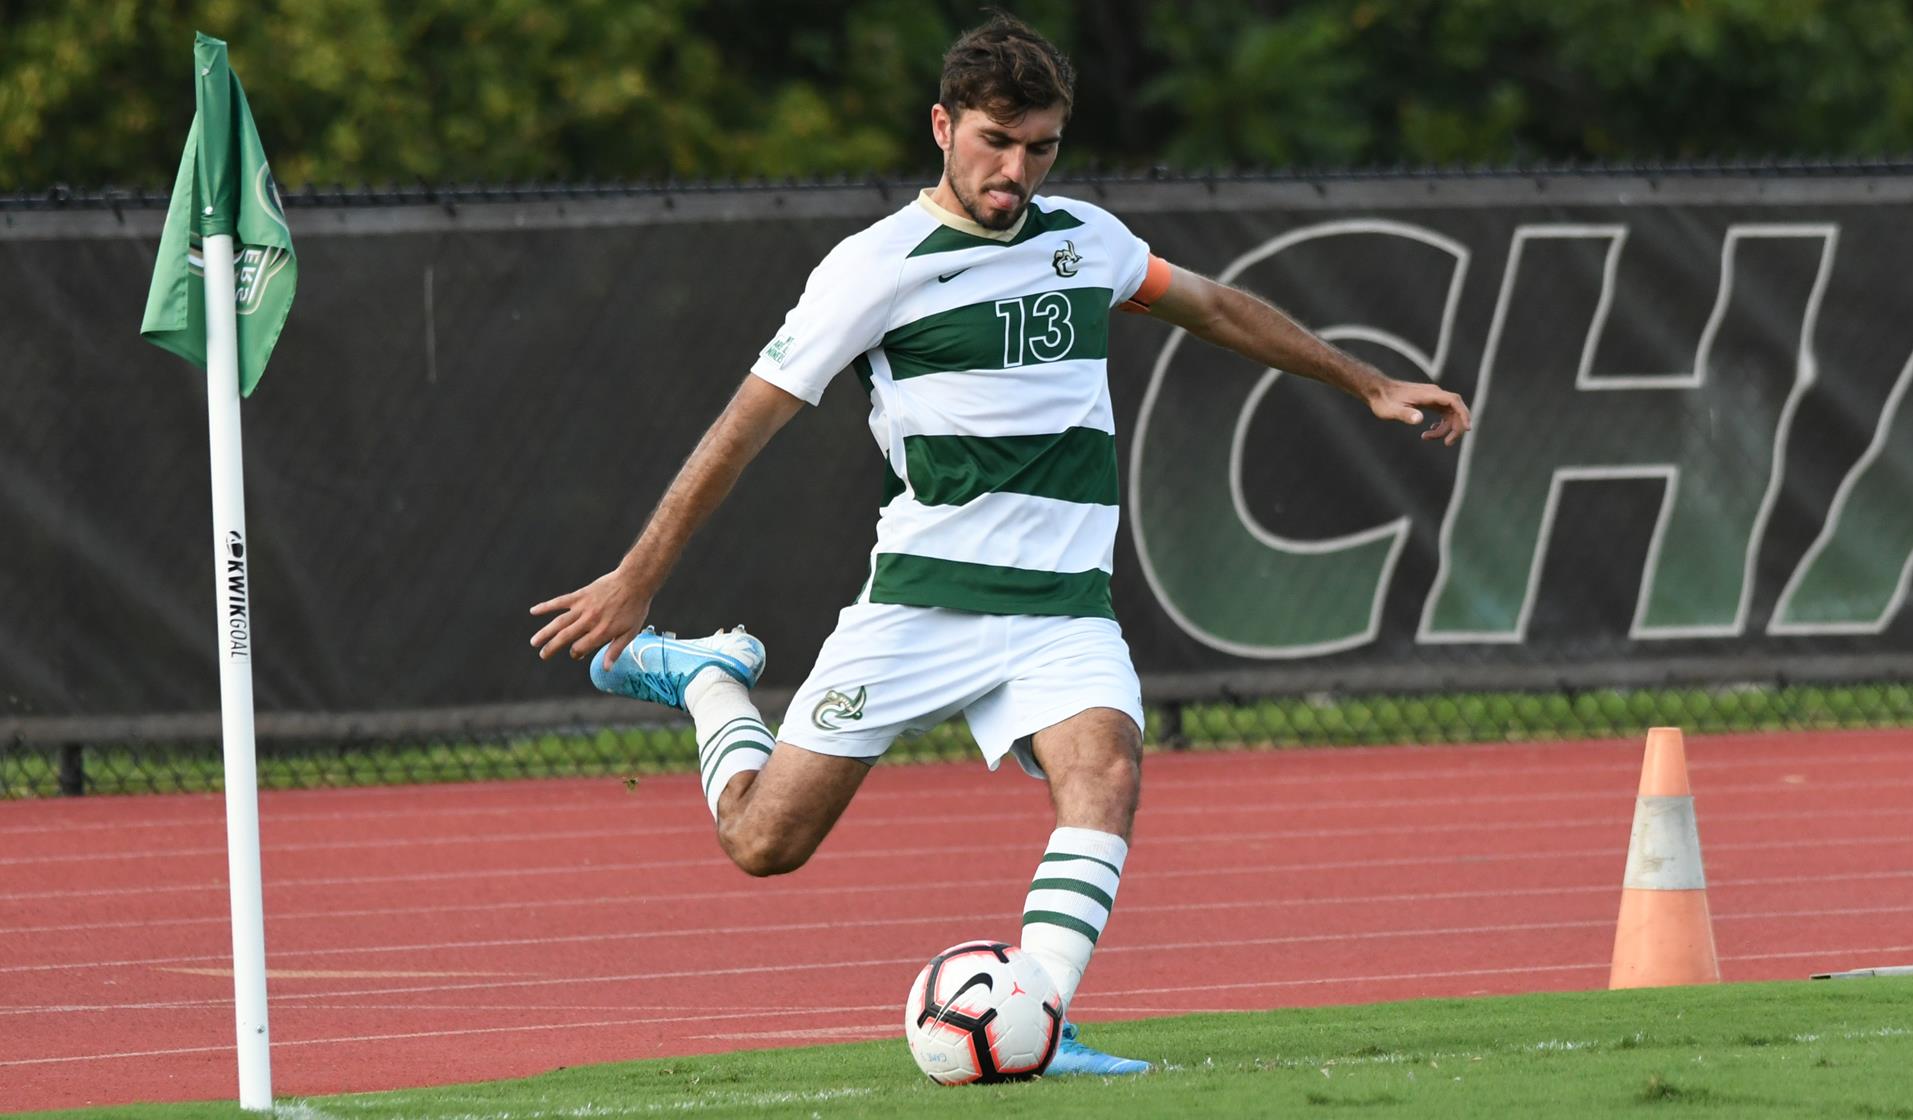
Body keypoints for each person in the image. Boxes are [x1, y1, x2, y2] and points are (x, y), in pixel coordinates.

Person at [530, 12, 1469, 1077]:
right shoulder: (873, 268)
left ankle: (1041, 1022)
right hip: (922, 603)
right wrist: (638, 577)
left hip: (1063, 604)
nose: (1016, 170)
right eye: (995, 141)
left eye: (1040, 146)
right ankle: (708, 681)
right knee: (761, 843)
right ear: (942, 126)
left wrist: (1365, 381)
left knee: (1104, 771)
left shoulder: (1088, 240)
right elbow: (741, 430)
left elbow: (1211, 307)